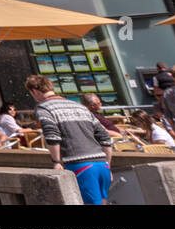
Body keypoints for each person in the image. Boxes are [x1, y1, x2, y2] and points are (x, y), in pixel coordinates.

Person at [26, 74, 112, 205]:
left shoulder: (44, 107)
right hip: (102, 164)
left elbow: (52, 135)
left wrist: (56, 161)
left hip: (80, 165)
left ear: (35, 91)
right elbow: (105, 138)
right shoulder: (79, 106)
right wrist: (108, 165)